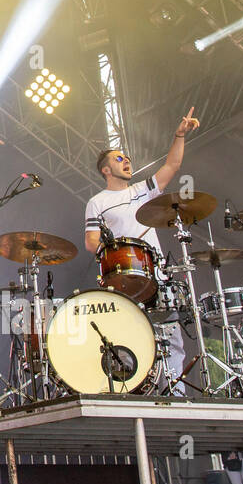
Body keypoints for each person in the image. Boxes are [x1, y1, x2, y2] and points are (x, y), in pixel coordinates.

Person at [84, 108, 200, 391]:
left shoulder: (142, 189)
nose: (127, 161)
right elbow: (91, 241)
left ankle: (175, 395)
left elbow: (171, 166)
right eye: (119, 158)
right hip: (122, 276)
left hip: (155, 271)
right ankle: (138, 393)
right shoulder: (97, 202)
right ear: (106, 170)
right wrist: (115, 253)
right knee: (131, 337)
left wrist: (179, 135)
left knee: (171, 337)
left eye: (127, 157)